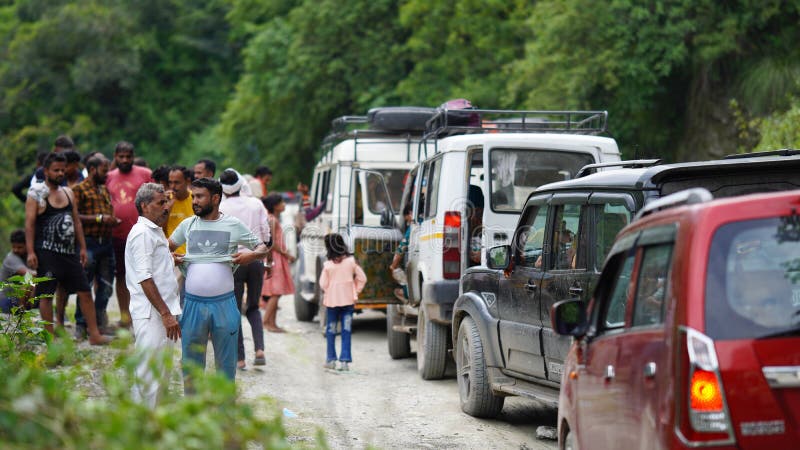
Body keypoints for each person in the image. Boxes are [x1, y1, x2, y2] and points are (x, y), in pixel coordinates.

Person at [168, 177, 268, 385]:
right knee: (191, 367)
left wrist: (251, 256)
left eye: (199, 196)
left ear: (215, 198)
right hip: (193, 305)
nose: (194, 201)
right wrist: (171, 258)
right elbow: (166, 248)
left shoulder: (232, 224)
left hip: (225, 305)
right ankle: (192, 413)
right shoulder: (187, 225)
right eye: (193, 196)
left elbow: (262, 247)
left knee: (226, 367)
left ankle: (224, 416)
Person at [24, 152, 109, 345]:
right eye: (56, 170)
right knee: (46, 295)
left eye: (62, 169)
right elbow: (29, 224)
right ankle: (50, 338)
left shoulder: (68, 192)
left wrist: (82, 248)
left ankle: (94, 334)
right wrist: (30, 252)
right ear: (46, 171)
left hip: (69, 252)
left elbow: (77, 222)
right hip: (46, 251)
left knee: (85, 291)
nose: (60, 173)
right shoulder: (36, 193)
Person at [125, 183, 182, 408]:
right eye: (161, 203)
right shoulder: (142, 234)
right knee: (149, 373)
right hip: (152, 314)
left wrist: (171, 259)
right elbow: (145, 279)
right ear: (145, 206)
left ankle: (154, 425)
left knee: (161, 373)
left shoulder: (154, 231)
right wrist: (166, 314)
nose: (166, 207)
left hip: (161, 312)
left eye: (166, 201)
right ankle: (141, 427)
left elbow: (155, 268)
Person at [219, 169, 271, 369]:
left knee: (234, 310)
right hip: (256, 259)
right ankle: (259, 350)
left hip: (233, 262)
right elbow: (266, 236)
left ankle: (239, 359)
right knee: (253, 307)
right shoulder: (256, 203)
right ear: (241, 184)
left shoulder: (221, 206)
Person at [72, 155, 120, 337]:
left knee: (106, 285)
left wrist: (111, 219)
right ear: (92, 169)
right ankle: (81, 324)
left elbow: (106, 211)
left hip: (106, 242)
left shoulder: (103, 189)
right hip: (89, 242)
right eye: (104, 170)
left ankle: (99, 322)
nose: (107, 174)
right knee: (84, 284)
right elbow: (74, 216)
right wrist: (100, 219)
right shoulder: (79, 189)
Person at [106, 141, 152, 328]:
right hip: (116, 234)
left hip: (141, 233)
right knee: (121, 275)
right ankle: (126, 318)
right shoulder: (109, 176)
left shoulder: (145, 174)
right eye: (121, 157)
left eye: (128, 157)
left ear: (133, 157)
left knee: (146, 273)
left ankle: (146, 315)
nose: (124, 160)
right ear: (115, 157)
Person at [319, 233, 366, 371]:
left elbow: (323, 284)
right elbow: (362, 278)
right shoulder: (351, 262)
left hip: (332, 303)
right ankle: (345, 362)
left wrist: (331, 289)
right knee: (346, 331)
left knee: (331, 330)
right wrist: (356, 290)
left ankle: (331, 360)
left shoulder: (327, 265)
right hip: (348, 302)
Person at [260, 193, 295, 333]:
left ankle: (272, 323)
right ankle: (266, 322)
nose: (284, 205)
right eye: (282, 202)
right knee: (276, 292)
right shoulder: (272, 220)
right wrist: (287, 254)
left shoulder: (272, 219)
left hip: (276, 257)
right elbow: (271, 243)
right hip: (275, 258)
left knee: (276, 292)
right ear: (275, 206)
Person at [0, 229, 36, 313]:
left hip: (19, 298)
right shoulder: (11, 258)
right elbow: (31, 274)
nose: (16, 250)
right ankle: (23, 312)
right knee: (29, 281)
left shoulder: (29, 256)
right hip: (7, 300)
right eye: (13, 247)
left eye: (19, 247)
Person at [165, 166, 194, 256]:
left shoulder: (196, 199)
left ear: (188, 181)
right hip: (173, 256)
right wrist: (167, 208)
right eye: (170, 182)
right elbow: (159, 230)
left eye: (177, 182)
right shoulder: (165, 201)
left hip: (194, 255)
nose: (173, 186)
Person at [389, 204, 413, 301]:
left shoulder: (413, 227)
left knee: (402, 279)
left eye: (407, 220)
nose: (408, 222)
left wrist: (393, 266)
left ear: (411, 214)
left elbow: (401, 248)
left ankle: (407, 295)